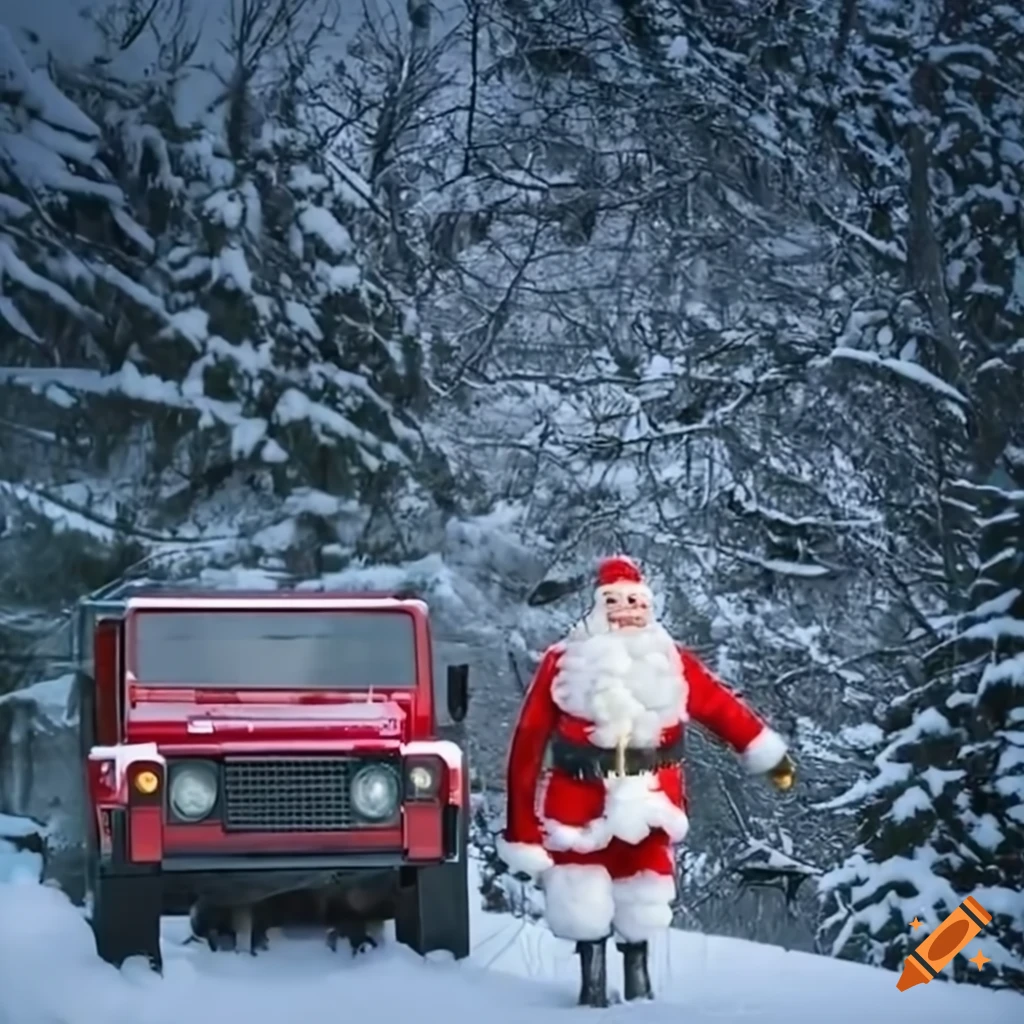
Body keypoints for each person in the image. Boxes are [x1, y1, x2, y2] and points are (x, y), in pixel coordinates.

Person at [496, 555, 796, 1007]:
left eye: (634, 601)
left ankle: (640, 986)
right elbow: (527, 742)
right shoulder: (564, 662)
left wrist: (765, 753)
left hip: (651, 805)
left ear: (648, 605)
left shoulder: (670, 661)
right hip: (578, 806)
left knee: (642, 894)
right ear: (598, 607)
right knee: (583, 896)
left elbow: (719, 707)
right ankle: (591, 985)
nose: (625, 612)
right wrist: (522, 829)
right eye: (614, 602)